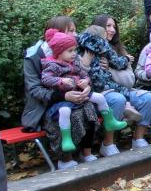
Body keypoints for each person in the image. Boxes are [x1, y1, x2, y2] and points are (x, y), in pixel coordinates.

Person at [22, 17, 99, 169]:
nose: (75, 34)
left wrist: (86, 88)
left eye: (75, 30)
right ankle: (65, 159)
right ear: (56, 33)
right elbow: (35, 90)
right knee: (68, 113)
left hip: (71, 98)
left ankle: (85, 153)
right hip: (43, 106)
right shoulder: (33, 56)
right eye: (70, 30)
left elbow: (81, 75)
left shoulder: (70, 50)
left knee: (89, 108)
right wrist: (63, 96)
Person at [39, 29, 127, 154]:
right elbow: (45, 79)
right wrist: (60, 81)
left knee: (100, 98)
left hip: (80, 92)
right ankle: (66, 139)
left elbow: (84, 74)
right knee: (65, 111)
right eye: (70, 51)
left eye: (74, 50)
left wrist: (86, 81)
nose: (74, 53)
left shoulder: (74, 62)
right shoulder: (52, 65)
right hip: (64, 98)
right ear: (58, 52)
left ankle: (110, 121)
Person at [78, 17, 151, 152]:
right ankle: (108, 144)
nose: (112, 30)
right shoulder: (83, 50)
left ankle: (138, 139)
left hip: (120, 87)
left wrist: (110, 69)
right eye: (108, 26)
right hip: (100, 93)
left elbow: (130, 80)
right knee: (117, 100)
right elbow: (82, 75)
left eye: (114, 26)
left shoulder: (118, 49)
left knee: (148, 98)